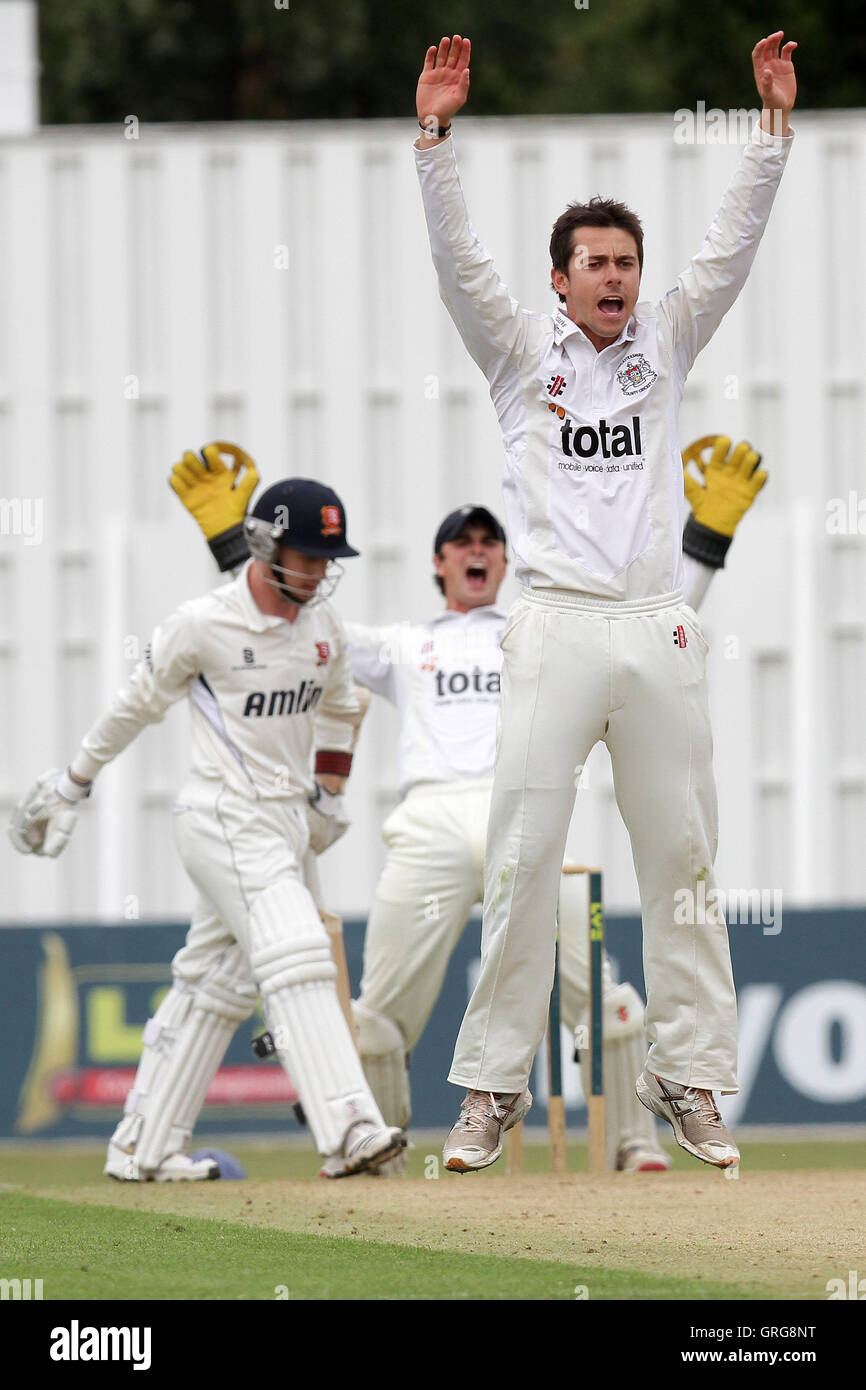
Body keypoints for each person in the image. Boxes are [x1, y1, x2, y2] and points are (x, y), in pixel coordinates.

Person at [171, 433, 766, 1172]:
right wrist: (240, 546)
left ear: (507, 561)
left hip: (519, 814)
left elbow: (646, 626)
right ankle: (374, 1153)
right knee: (379, 1017)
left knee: (605, 1000)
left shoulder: (541, 627)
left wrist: (706, 538)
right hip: (429, 822)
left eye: (490, 540)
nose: (476, 550)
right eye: (462, 541)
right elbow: (299, 633)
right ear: (439, 562)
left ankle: (633, 1147)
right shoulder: (406, 643)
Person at [412, 31, 796, 1170]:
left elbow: (728, 251)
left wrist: (771, 133)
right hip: (552, 621)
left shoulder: (665, 342)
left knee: (678, 855)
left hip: (651, 622)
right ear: (559, 277)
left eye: (626, 261)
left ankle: (689, 1079)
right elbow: (457, 263)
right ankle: (489, 1089)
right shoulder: (519, 355)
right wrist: (432, 141)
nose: (616, 279)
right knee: (522, 855)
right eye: (594, 262)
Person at [9, 454, 405, 1181]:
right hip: (221, 816)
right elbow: (135, 705)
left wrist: (328, 794)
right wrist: (73, 784)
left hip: (285, 822)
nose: (317, 574)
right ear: (263, 547)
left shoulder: (324, 629)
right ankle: (349, 1128)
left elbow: (345, 707)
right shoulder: (203, 625)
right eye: (305, 557)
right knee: (296, 952)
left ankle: (143, 1147)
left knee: (214, 985)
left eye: (327, 560)